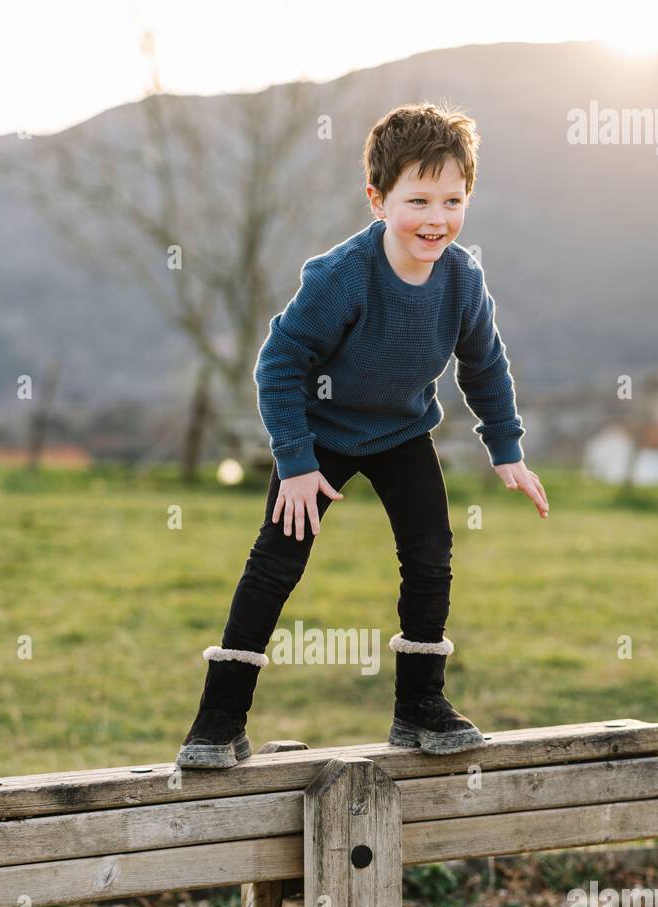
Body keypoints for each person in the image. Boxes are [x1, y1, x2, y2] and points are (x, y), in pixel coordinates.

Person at [177, 101, 548, 769]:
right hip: (318, 437)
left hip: (403, 432)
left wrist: (508, 449)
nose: (436, 219)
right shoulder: (342, 277)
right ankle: (217, 721)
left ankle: (419, 709)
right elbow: (279, 363)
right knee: (276, 563)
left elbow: (484, 362)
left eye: (453, 199)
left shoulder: (462, 279)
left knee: (431, 554)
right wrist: (294, 461)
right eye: (418, 200)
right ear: (377, 198)